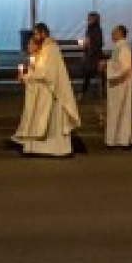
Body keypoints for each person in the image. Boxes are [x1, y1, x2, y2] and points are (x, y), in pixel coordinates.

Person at [15, 23, 82, 157]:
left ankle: (56, 149)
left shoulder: (50, 48)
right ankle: (39, 148)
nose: (34, 37)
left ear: (43, 33)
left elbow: (47, 73)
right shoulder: (45, 48)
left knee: (52, 123)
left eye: (36, 34)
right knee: (43, 120)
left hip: (52, 92)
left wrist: (27, 76)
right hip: (45, 91)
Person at [103, 25, 132, 148]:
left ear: (120, 33)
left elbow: (125, 67)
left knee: (122, 112)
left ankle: (123, 139)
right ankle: (119, 138)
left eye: (114, 32)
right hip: (118, 86)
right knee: (119, 112)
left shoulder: (123, 48)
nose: (112, 35)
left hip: (122, 86)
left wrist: (107, 66)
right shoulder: (119, 47)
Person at [79, 12, 105, 101]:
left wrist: (89, 44)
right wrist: (85, 45)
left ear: (95, 19)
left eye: (90, 18)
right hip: (89, 56)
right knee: (87, 75)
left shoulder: (97, 29)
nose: (88, 20)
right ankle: (84, 93)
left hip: (95, 56)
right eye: (88, 18)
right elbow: (88, 41)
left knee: (90, 74)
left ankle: (86, 93)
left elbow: (99, 43)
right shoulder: (89, 29)